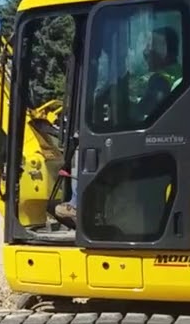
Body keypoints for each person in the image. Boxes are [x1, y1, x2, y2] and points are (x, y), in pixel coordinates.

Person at [53, 26, 181, 225]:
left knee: (90, 144)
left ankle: (79, 204)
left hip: (152, 147)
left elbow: (142, 114)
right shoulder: (176, 73)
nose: (146, 52)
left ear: (164, 49)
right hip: (165, 143)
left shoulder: (161, 80)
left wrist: (120, 109)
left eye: (150, 46)